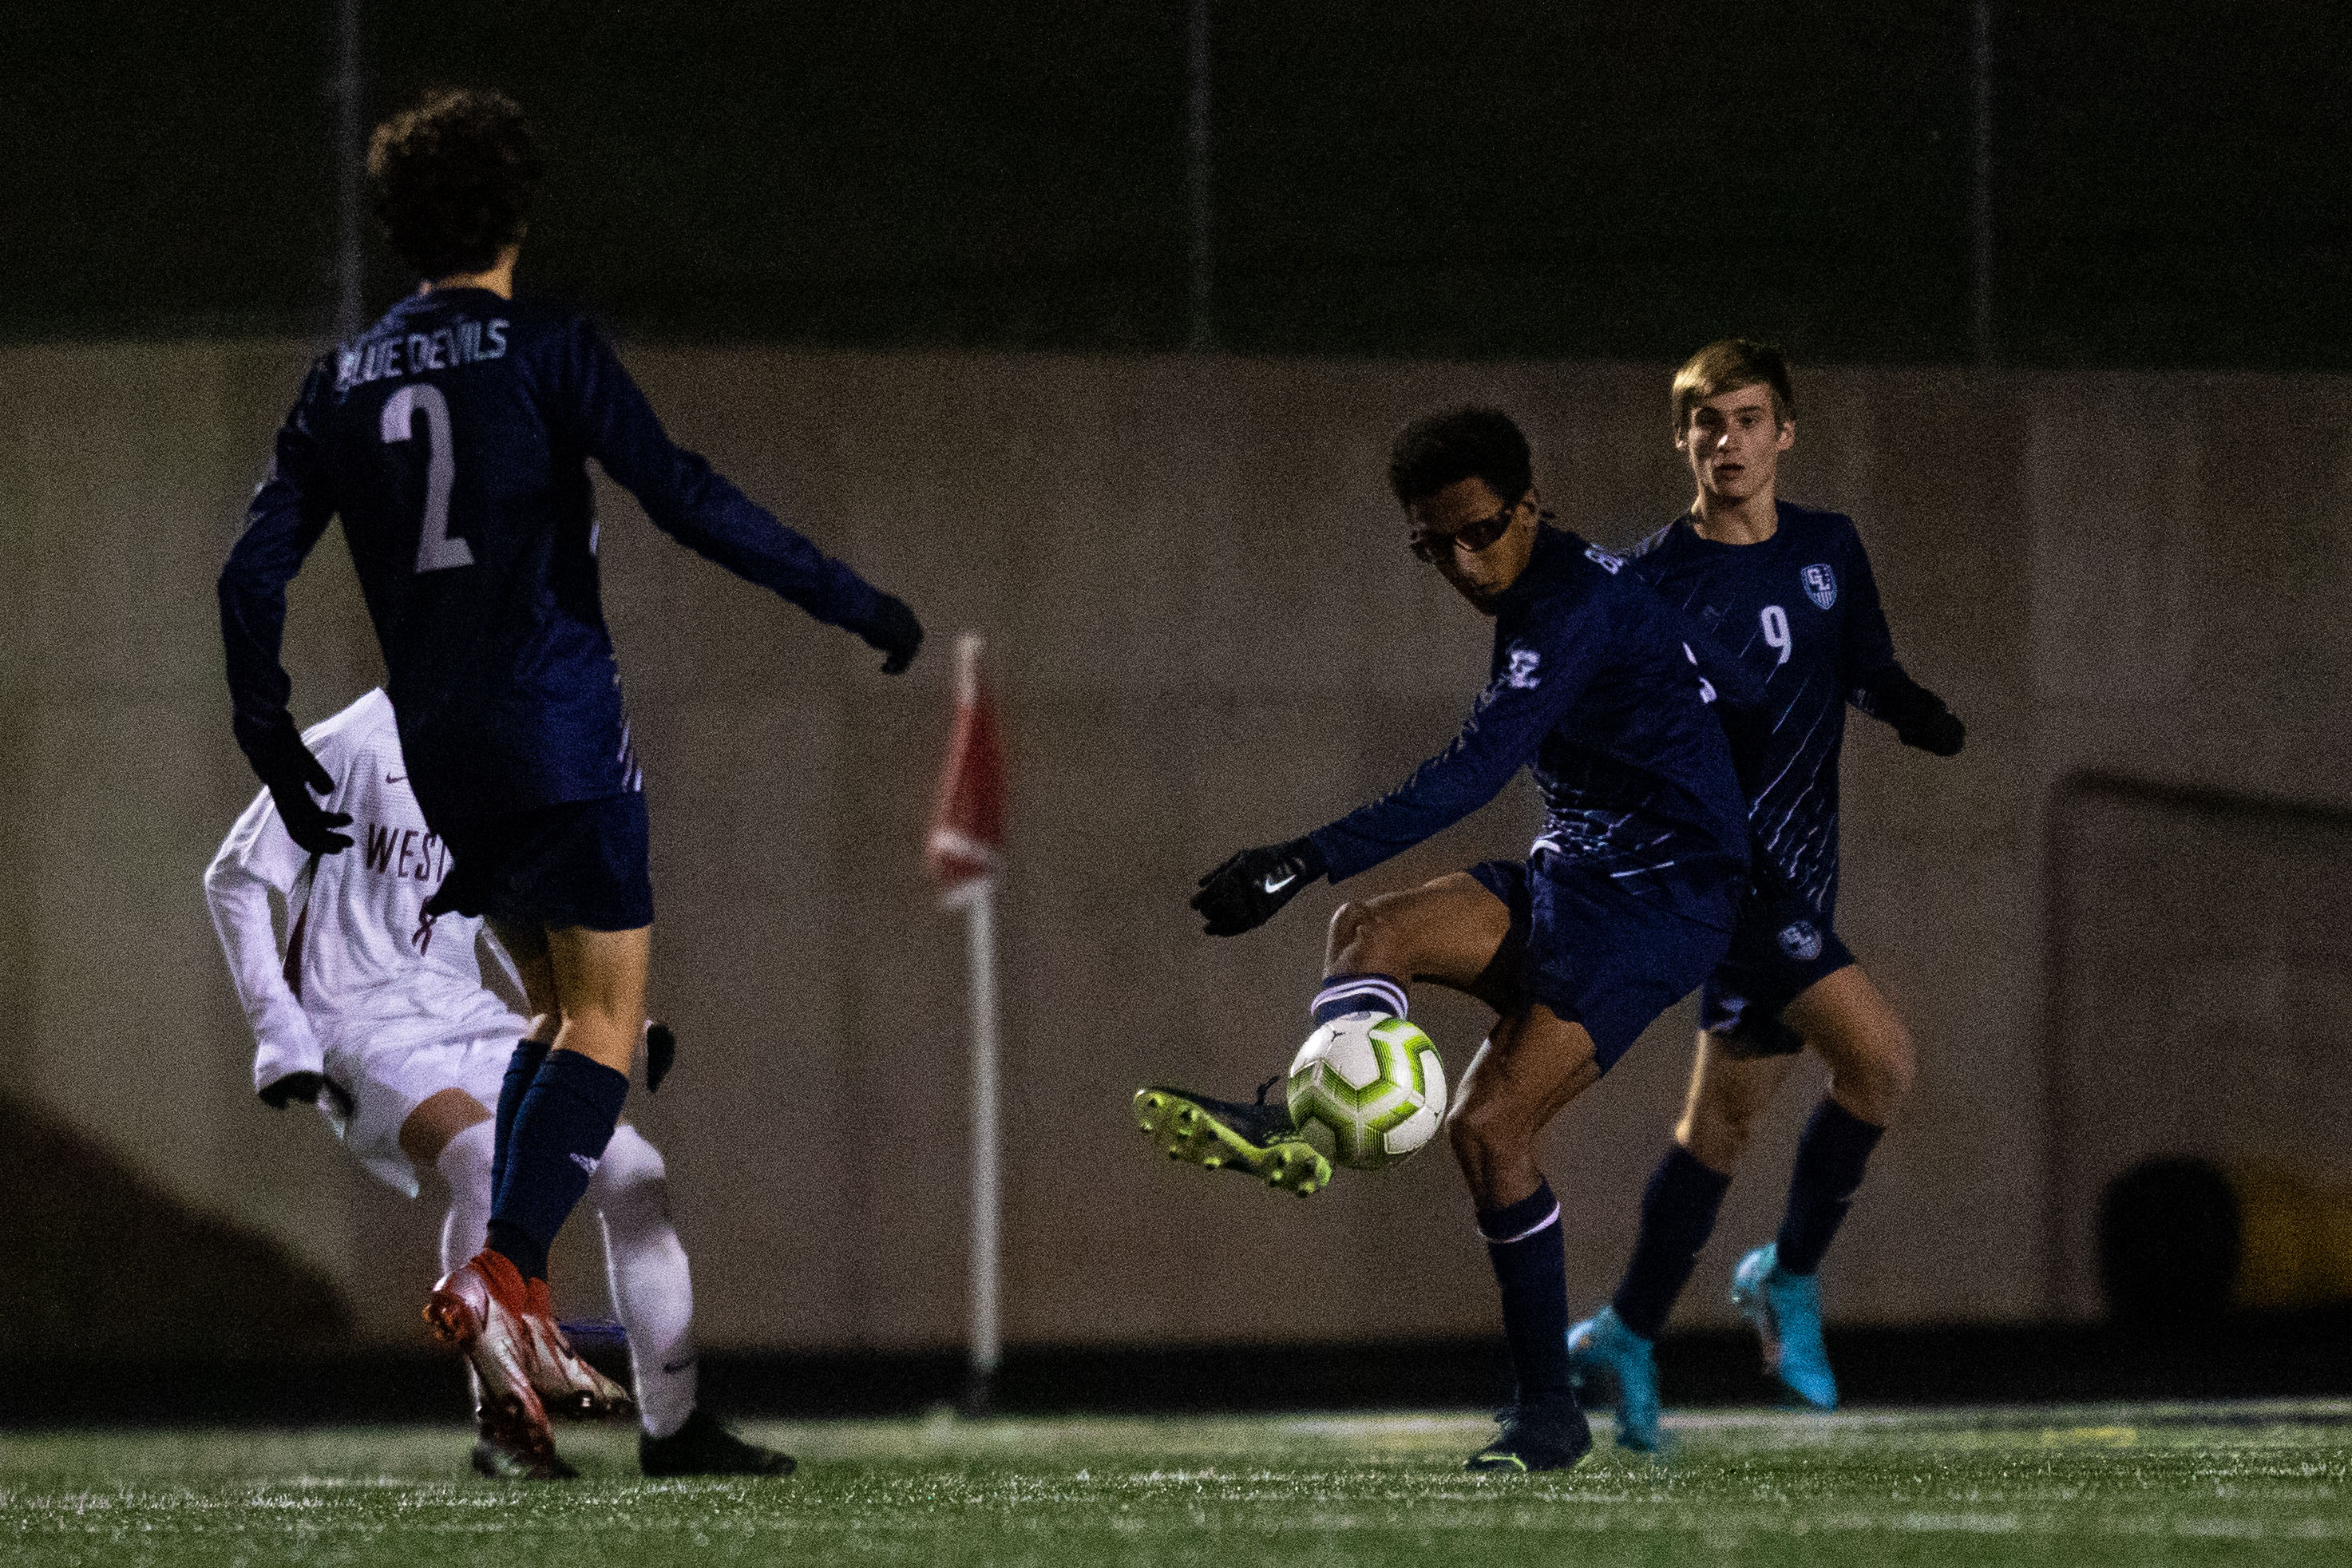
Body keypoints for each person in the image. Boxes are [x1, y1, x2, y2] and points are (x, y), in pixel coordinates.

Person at [216, 89, 922, 1468]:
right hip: (557, 730)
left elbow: (249, 569)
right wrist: (853, 602)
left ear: (399, 226)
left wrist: (267, 725)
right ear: (519, 213)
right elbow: (685, 494)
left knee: (547, 1017)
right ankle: (506, 1275)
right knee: (607, 1019)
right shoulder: (545, 345)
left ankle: (521, 1290)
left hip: (446, 754)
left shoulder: (342, 377)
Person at [1134, 406, 1758, 1472]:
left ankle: (1547, 1415)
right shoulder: (1549, 594)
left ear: (1529, 507)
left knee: (1487, 1130)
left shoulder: (1568, 606)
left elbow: (1470, 776)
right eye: (1436, 544)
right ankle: (1305, 1120)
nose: (1464, 564)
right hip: (1581, 870)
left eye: (1480, 534)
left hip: (1662, 901)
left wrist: (1293, 856)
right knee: (1369, 932)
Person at [204, 688, 791, 1479]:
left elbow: (503, 912)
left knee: (637, 1173)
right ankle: (503, 1428)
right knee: (483, 1156)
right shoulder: (345, 742)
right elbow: (235, 878)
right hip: (357, 1030)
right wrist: (281, 1034)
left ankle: (675, 1428)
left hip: (466, 1016)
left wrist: (612, 1018)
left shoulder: (496, 756)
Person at [1563, 339, 1965, 1452]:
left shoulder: (1828, 550)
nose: (1725, 441)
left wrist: (1913, 710)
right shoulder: (1649, 584)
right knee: (1879, 1060)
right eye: (1705, 422)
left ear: (1783, 433)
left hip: (1803, 870)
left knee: (1720, 1125)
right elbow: (1599, 722)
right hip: (1726, 880)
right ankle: (1786, 1279)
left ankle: (1627, 1331)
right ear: (1680, 439)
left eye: (1745, 420)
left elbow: (1864, 668)